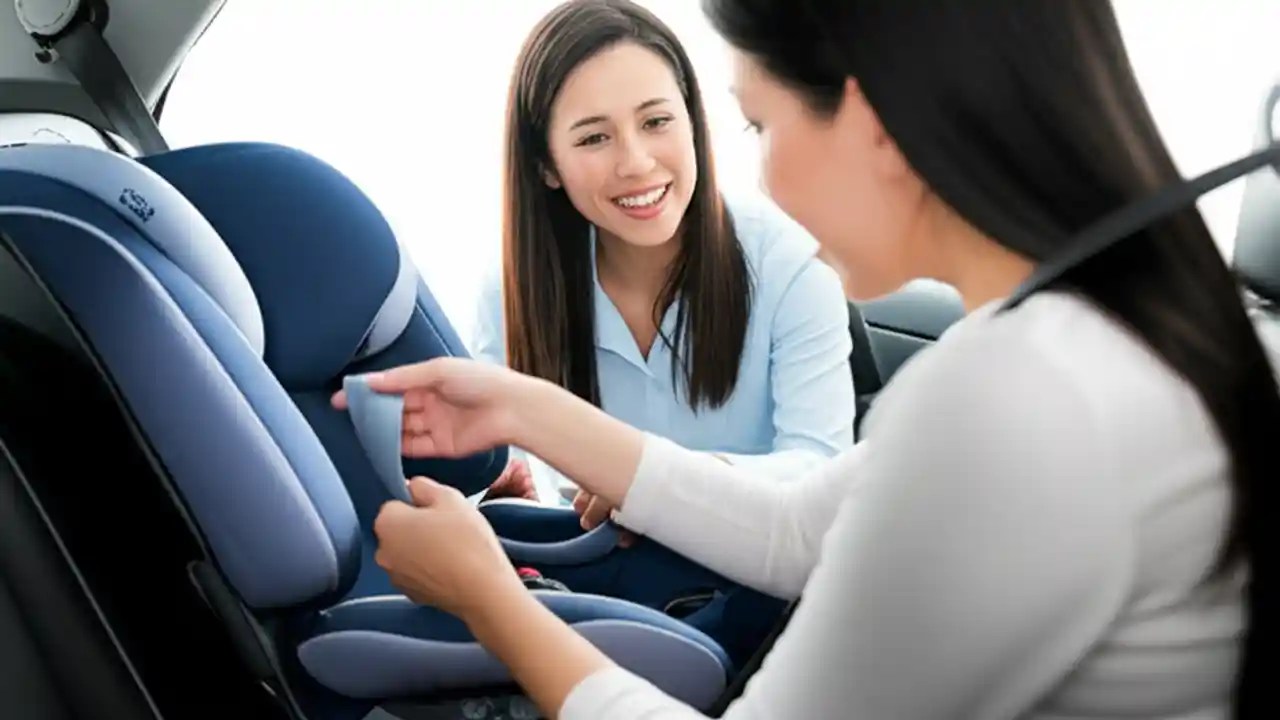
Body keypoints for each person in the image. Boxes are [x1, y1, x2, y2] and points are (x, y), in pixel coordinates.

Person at [333, 0, 1280, 718]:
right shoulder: (1083, 337)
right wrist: (521, 408)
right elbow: (794, 533)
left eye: (756, 125)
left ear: (870, 122)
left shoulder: (1018, 398)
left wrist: (489, 598)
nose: (761, 174)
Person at [470, 0, 856, 510]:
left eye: (656, 122)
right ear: (547, 166)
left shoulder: (792, 269)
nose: (636, 163)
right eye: (594, 137)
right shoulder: (510, 293)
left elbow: (822, 471)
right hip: (583, 577)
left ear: (692, 123)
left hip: (757, 578)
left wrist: (656, 484)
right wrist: (494, 494)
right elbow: (502, 470)